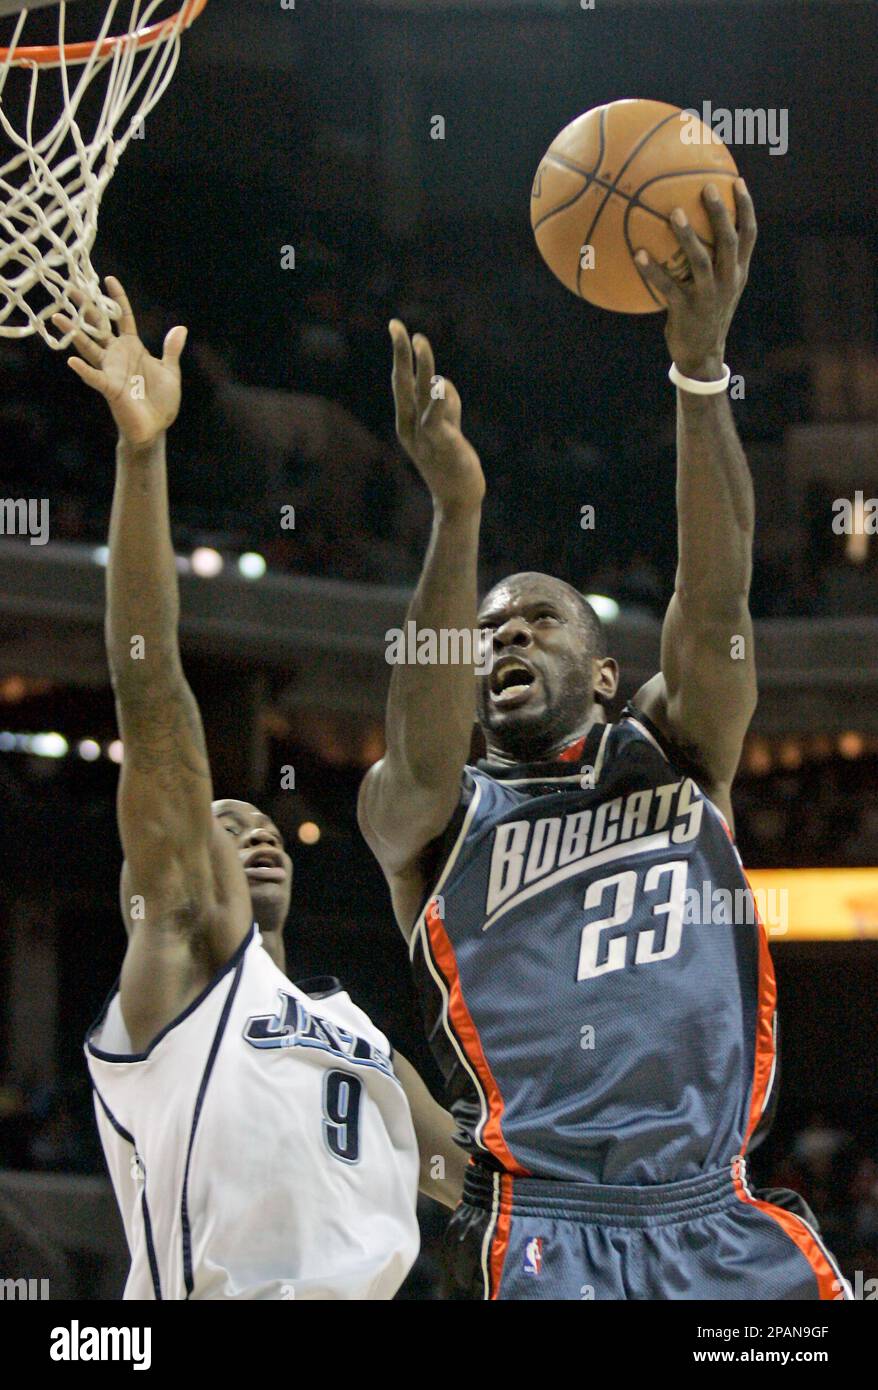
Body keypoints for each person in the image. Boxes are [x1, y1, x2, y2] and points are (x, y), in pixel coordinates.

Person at [359, 183, 850, 1300]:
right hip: (543, 1235)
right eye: (486, 633)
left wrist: (697, 369)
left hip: (722, 1220)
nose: (503, 637)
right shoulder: (437, 815)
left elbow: (716, 608)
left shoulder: (676, 753)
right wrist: (454, 508)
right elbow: (423, 740)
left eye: (537, 619)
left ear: (606, 672)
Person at [60, 281, 462, 1300]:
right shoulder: (179, 966)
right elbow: (151, 690)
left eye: (261, 820)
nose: (255, 829)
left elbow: (495, 1192)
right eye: (222, 823)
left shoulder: (364, 1041)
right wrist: (142, 454)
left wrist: (456, 511)